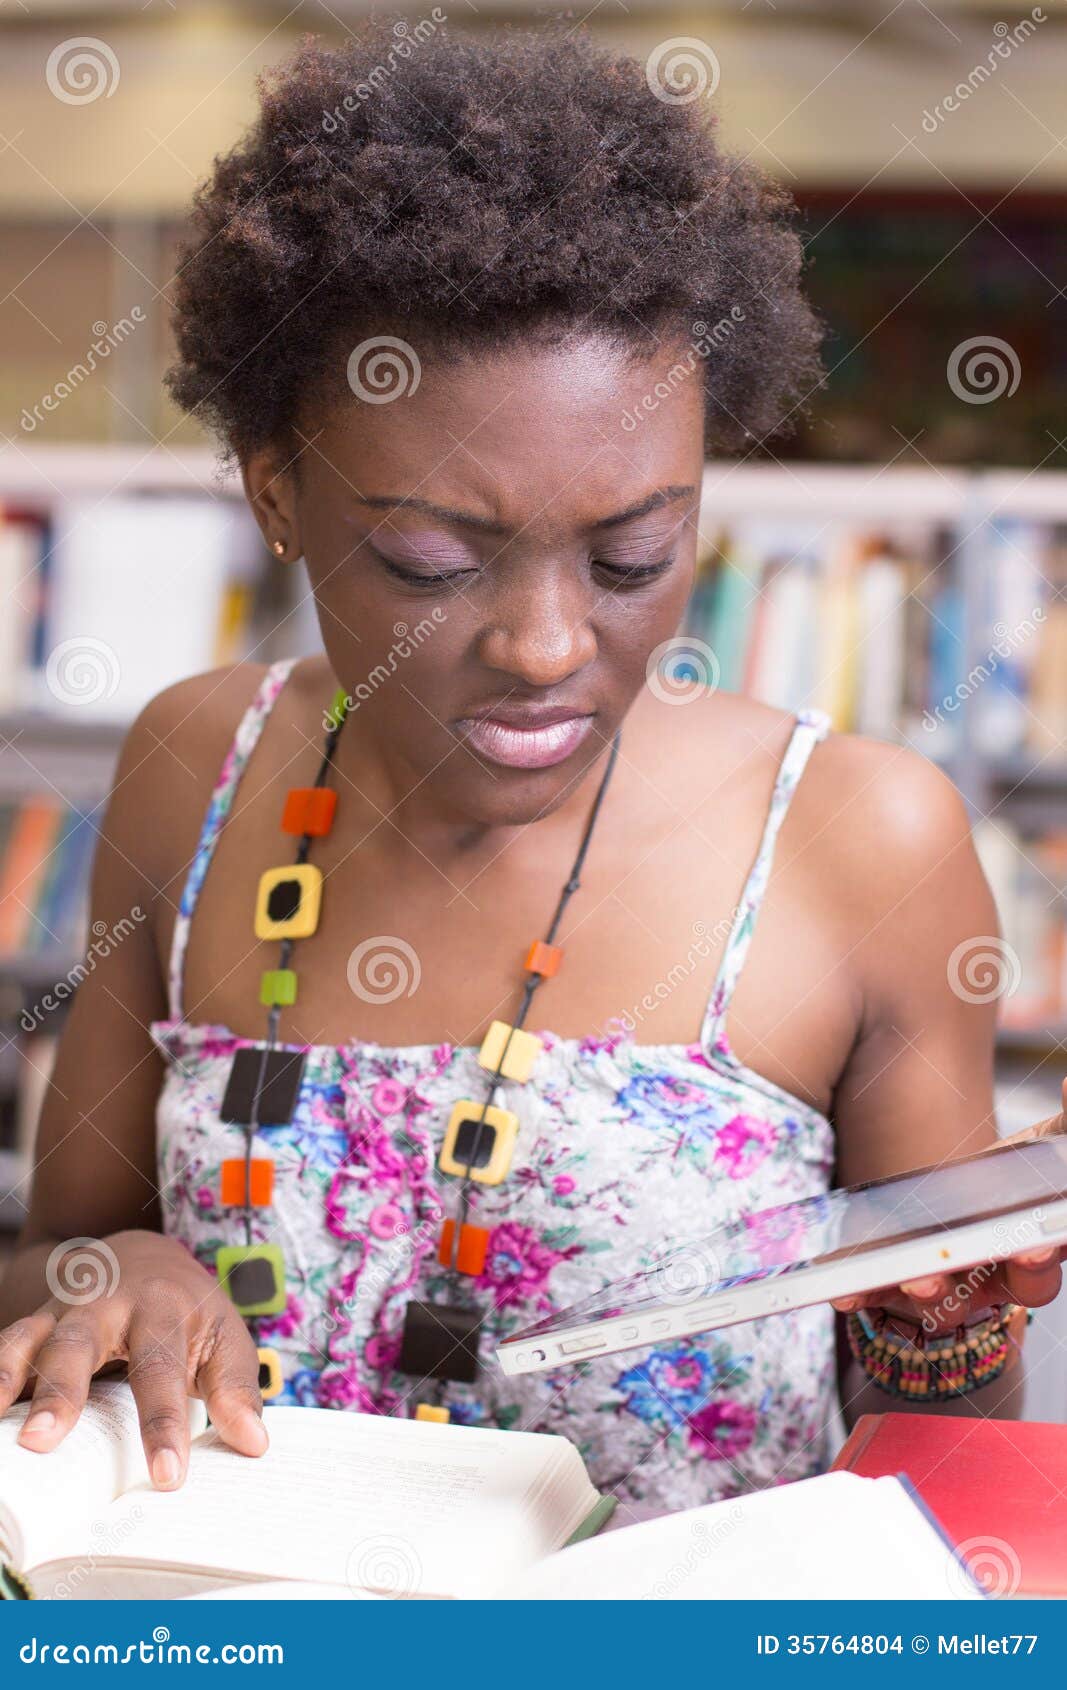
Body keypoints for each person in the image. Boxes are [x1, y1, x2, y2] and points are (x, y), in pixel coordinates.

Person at [0, 25, 1061, 1517]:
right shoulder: (199, 765)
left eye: (636, 554)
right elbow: (58, 1256)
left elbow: (940, 1466)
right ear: (277, 494)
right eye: (431, 558)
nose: (549, 645)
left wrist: (953, 1327)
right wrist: (127, 1278)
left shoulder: (859, 840)